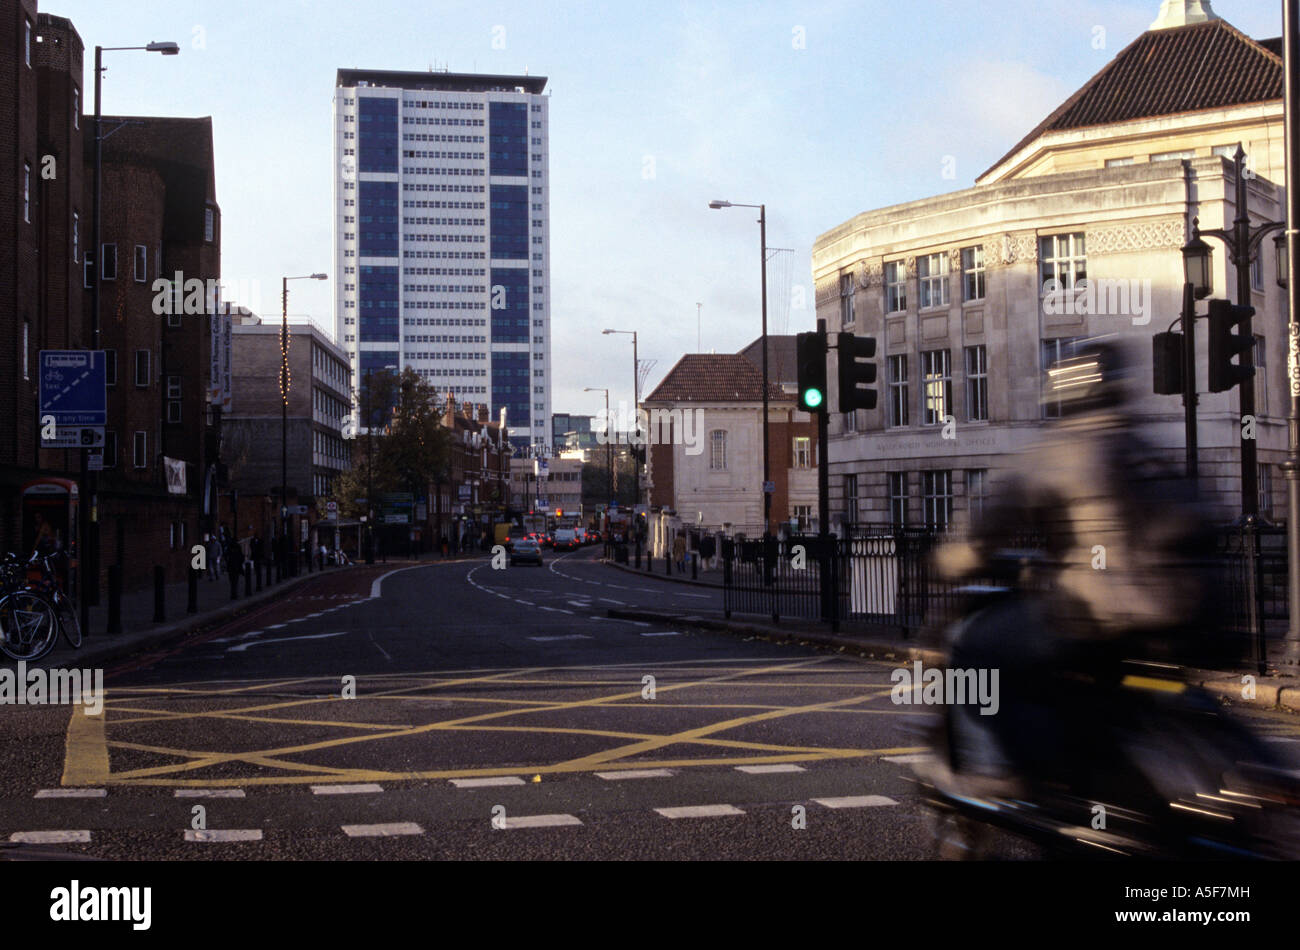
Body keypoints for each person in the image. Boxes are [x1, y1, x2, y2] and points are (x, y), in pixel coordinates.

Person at [935, 340, 1220, 788]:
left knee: (977, 653)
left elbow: (980, 537)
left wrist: (949, 561)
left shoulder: (1059, 449)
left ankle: (1019, 774)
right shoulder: (1147, 446)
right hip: (1190, 616)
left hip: (1106, 618)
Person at [223, 529, 244, 601]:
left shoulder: (230, 547)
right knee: (235, 581)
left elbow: (225, 555)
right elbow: (241, 557)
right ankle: (234, 593)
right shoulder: (238, 547)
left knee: (232, 581)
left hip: (231, 566)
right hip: (236, 566)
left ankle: (233, 593)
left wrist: (227, 561)